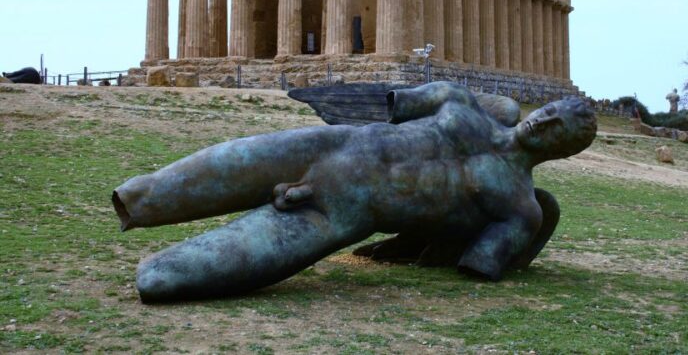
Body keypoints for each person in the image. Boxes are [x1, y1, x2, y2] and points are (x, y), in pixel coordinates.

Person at [112, 82, 597, 302]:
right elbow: (383, 102)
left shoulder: (519, 207)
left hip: (341, 214)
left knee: (161, 282)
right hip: (324, 147)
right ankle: (134, 205)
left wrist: (514, 239)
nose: (545, 120)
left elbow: (479, 264)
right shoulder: (460, 101)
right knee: (149, 191)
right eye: (550, 109)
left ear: (563, 152)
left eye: (558, 130)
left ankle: (159, 270)